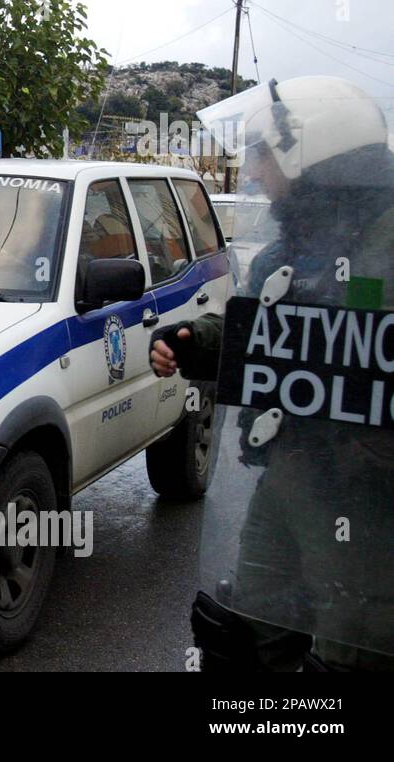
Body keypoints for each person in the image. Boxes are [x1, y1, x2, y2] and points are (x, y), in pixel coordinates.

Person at [150, 75, 394, 671]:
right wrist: (196, 344)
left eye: (261, 155)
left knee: (353, 645)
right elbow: (262, 329)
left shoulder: (385, 249)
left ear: (309, 152)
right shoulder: (290, 250)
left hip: (366, 495)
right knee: (246, 631)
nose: (254, 173)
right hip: (287, 472)